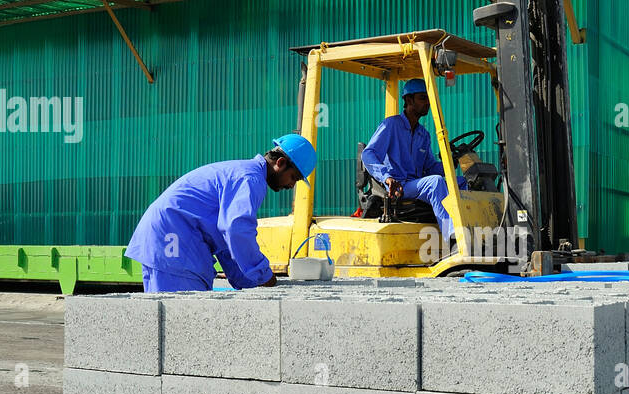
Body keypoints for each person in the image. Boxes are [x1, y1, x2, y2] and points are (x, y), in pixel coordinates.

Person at [126, 134, 317, 292]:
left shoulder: (244, 173)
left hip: (169, 236)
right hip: (173, 238)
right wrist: (263, 275)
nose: (291, 185)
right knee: (181, 322)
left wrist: (247, 279)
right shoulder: (251, 179)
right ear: (281, 163)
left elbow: (226, 241)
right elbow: (236, 229)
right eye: (294, 178)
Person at [361, 79, 465, 244]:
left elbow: (430, 168)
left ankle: (470, 228)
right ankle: (453, 238)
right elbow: (368, 154)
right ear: (409, 100)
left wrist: (449, 163)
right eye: (423, 98)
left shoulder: (423, 134)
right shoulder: (391, 125)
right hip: (399, 186)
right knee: (435, 183)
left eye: (428, 99)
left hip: (415, 184)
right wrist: (386, 177)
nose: (427, 103)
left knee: (460, 182)